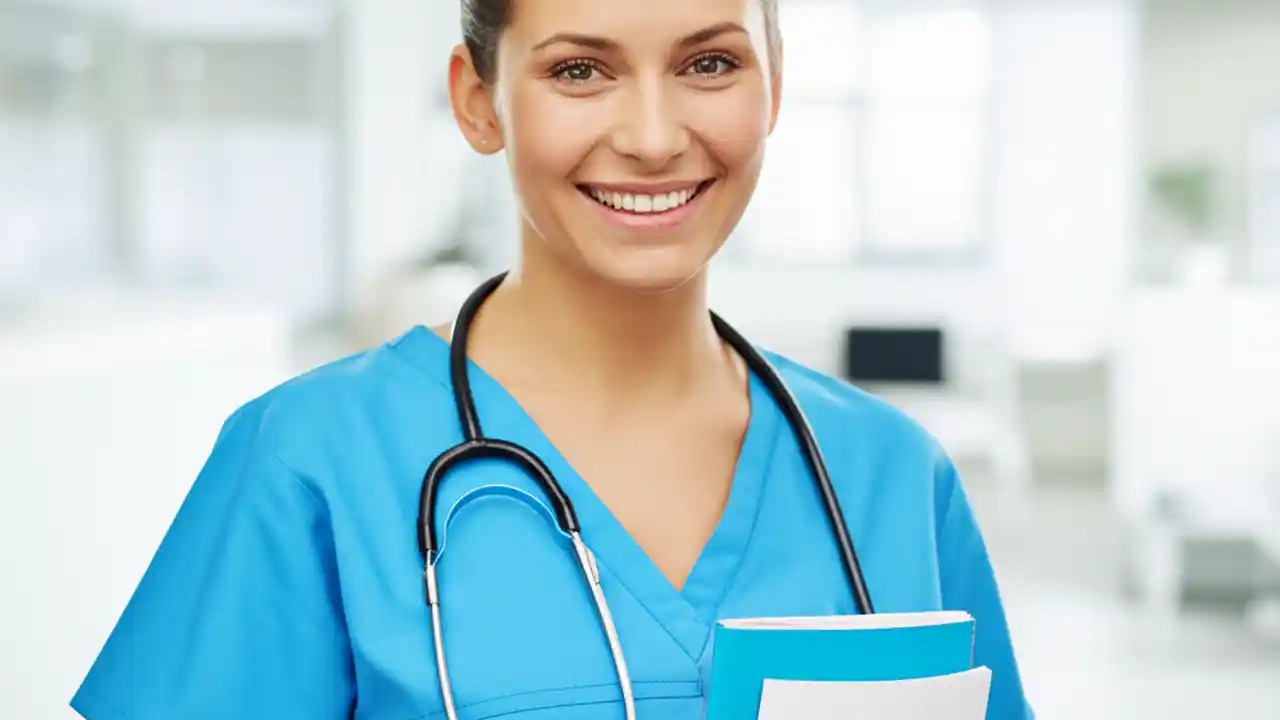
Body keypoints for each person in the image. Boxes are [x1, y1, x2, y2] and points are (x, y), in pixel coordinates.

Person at [72, 0, 1033, 718]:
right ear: (477, 102)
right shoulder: (310, 462)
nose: (655, 138)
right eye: (580, 72)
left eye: (708, 63)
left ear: (774, 83)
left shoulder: (891, 476)